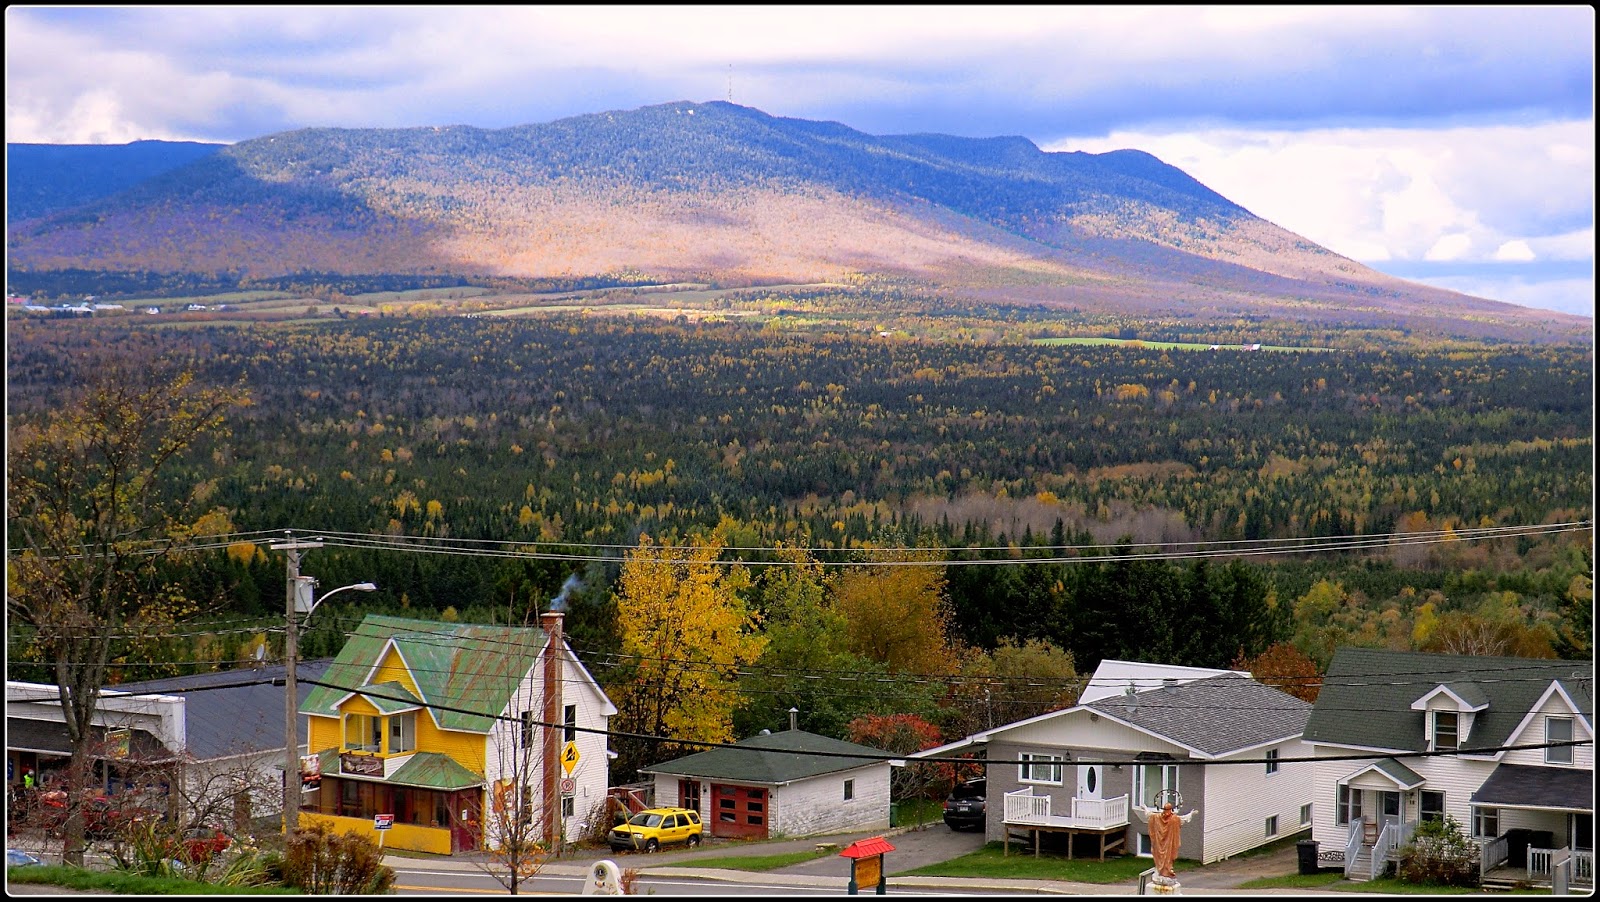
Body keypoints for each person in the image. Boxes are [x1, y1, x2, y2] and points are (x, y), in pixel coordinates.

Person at [1132, 801, 1197, 878]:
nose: (1166, 813)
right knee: (1159, 856)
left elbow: (1183, 819)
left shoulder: (1173, 819)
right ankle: (1160, 870)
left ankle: (1167, 870)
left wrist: (1191, 814)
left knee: (1169, 857)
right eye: (1165, 810)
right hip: (1159, 843)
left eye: (1168, 810)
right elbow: (1149, 815)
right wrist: (1145, 808)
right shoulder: (1158, 817)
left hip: (1169, 843)